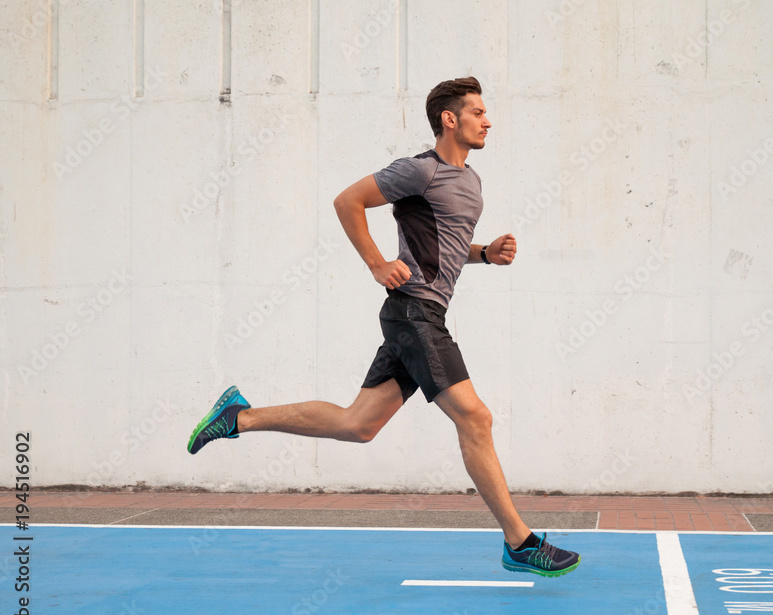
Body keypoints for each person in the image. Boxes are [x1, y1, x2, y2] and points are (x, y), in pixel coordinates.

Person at [187, 76, 580, 578]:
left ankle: (238, 417)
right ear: (450, 119)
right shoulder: (420, 170)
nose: (488, 121)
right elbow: (347, 201)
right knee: (475, 418)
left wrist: (485, 253)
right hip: (413, 312)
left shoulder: (471, 181)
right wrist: (376, 263)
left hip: (420, 315)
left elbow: (444, 246)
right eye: (478, 112)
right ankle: (519, 542)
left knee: (358, 425)